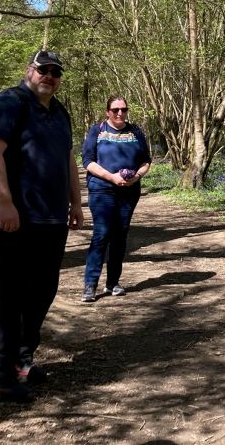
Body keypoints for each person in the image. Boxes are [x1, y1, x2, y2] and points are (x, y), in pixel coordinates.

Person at [0, 50, 83, 401]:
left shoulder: (60, 112)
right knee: (10, 296)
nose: (49, 76)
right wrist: (5, 203)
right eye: (43, 70)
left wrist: (76, 202)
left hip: (51, 218)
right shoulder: (9, 102)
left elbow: (67, 157)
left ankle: (22, 360)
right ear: (29, 71)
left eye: (55, 72)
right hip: (12, 218)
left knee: (43, 291)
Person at [80, 95, 152, 303]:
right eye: (115, 110)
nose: (120, 113)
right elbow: (88, 161)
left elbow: (146, 160)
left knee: (120, 235)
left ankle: (113, 283)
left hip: (129, 191)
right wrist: (111, 177)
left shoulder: (135, 131)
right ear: (107, 111)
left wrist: (136, 176)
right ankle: (90, 285)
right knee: (102, 234)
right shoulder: (98, 130)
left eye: (123, 109)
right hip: (102, 189)